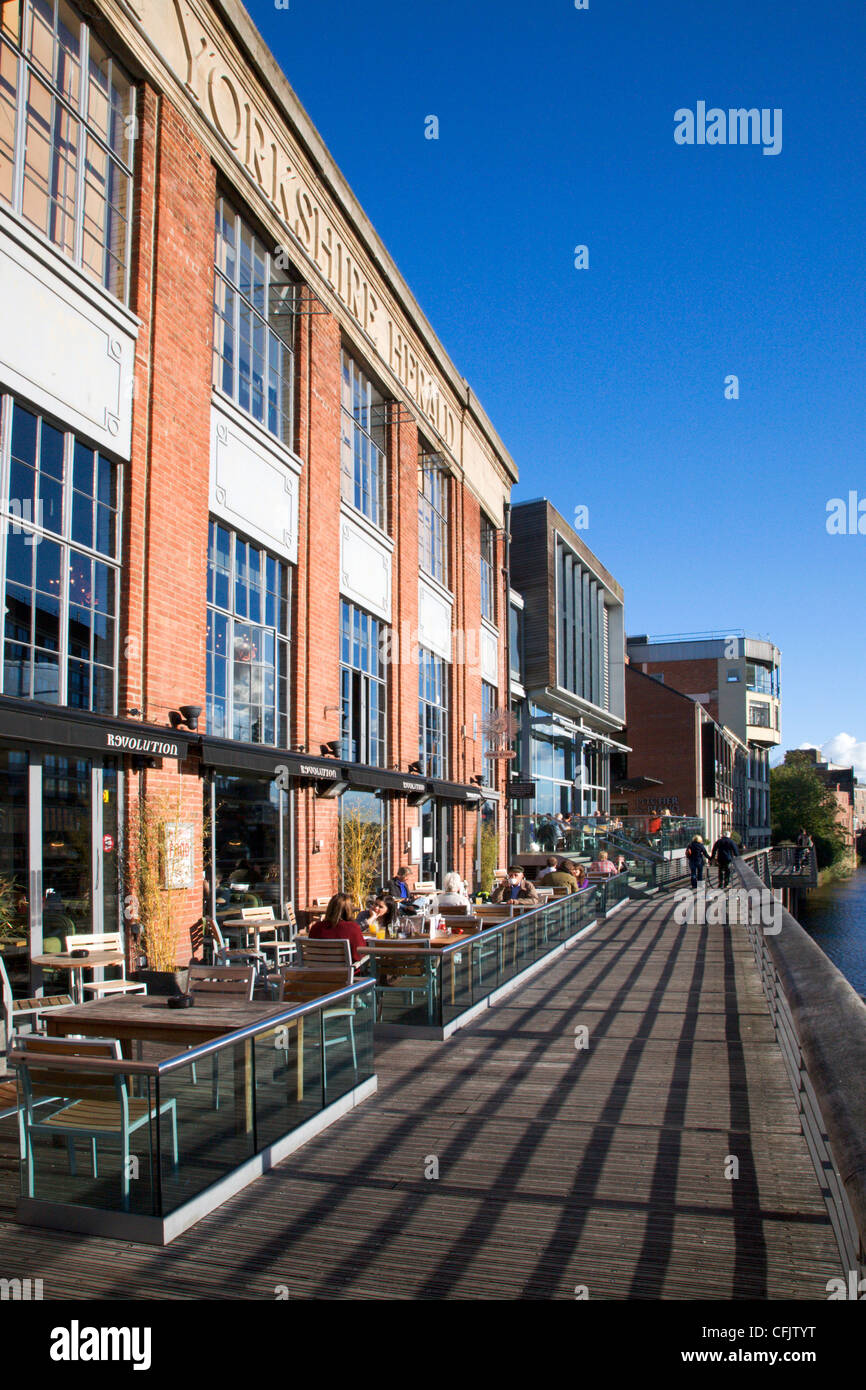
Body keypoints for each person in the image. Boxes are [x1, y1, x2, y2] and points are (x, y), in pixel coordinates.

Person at [309, 892, 369, 971]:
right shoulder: (353, 928)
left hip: (319, 973)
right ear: (349, 909)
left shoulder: (316, 928)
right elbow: (359, 955)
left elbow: (311, 954)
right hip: (346, 976)